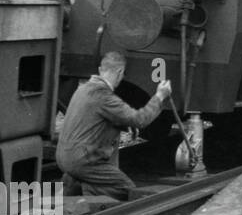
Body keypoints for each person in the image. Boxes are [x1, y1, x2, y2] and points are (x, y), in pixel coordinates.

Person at [55, 52, 170, 200]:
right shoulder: (104, 96)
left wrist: (123, 124)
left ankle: (75, 186)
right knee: (125, 189)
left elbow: (95, 120)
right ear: (120, 72)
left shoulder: (82, 90)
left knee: (102, 180)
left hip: (63, 157)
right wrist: (159, 97)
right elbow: (140, 119)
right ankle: (84, 193)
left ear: (100, 69)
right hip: (83, 161)